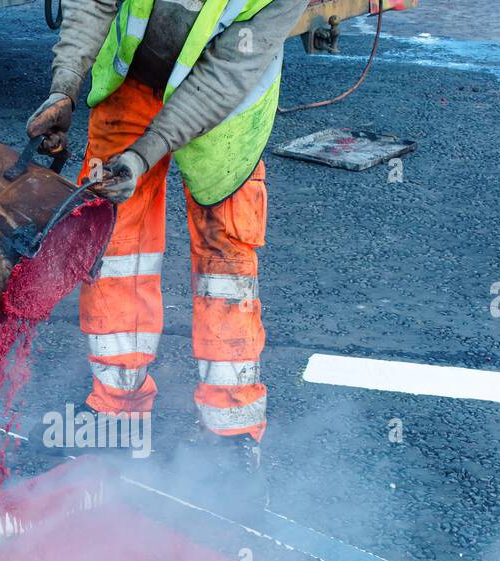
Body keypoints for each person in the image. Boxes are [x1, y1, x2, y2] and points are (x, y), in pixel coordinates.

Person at [27, 0, 307, 496]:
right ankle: (116, 413)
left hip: (225, 110)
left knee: (225, 259)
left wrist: (142, 157)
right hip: (132, 83)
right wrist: (64, 87)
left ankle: (231, 430)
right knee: (114, 245)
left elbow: (220, 78)